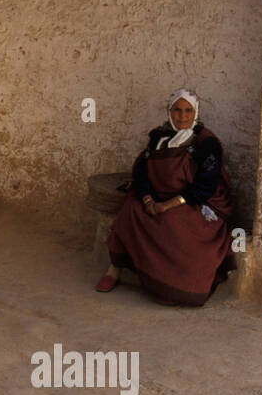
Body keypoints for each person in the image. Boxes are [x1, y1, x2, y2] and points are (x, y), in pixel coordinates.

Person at [95, 88, 235, 305]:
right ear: (169, 112)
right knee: (131, 210)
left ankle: (175, 286)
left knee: (173, 223)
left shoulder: (206, 143)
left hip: (194, 202)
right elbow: (142, 172)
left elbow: (205, 186)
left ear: (195, 112)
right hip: (158, 198)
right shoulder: (158, 137)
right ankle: (115, 270)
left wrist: (167, 206)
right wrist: (148, 200)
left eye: (188, 110)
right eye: (177, 110)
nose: (182, 116)